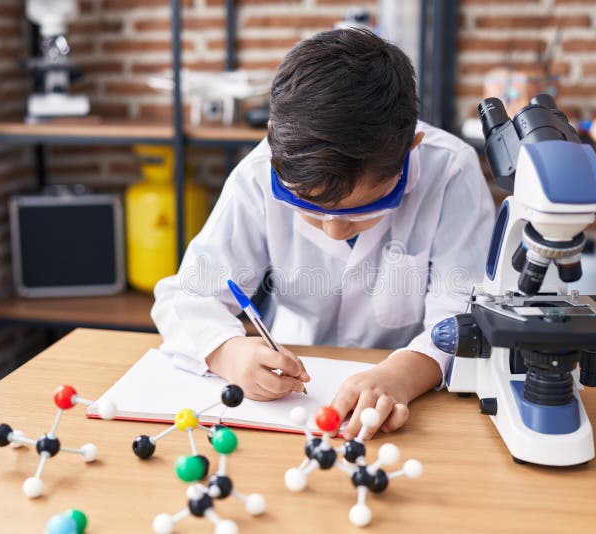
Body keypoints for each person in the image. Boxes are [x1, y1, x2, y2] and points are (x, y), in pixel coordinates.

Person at [152, 28, 494, 440]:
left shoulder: (451, 171)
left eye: (365, 209)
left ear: (411, 149)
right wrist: (226, 351)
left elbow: (467, 314)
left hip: (406, 383)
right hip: (287, 393)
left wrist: (402, 375)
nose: (333, 229)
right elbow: (187, 294)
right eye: (307, 209)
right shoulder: (259, 173)